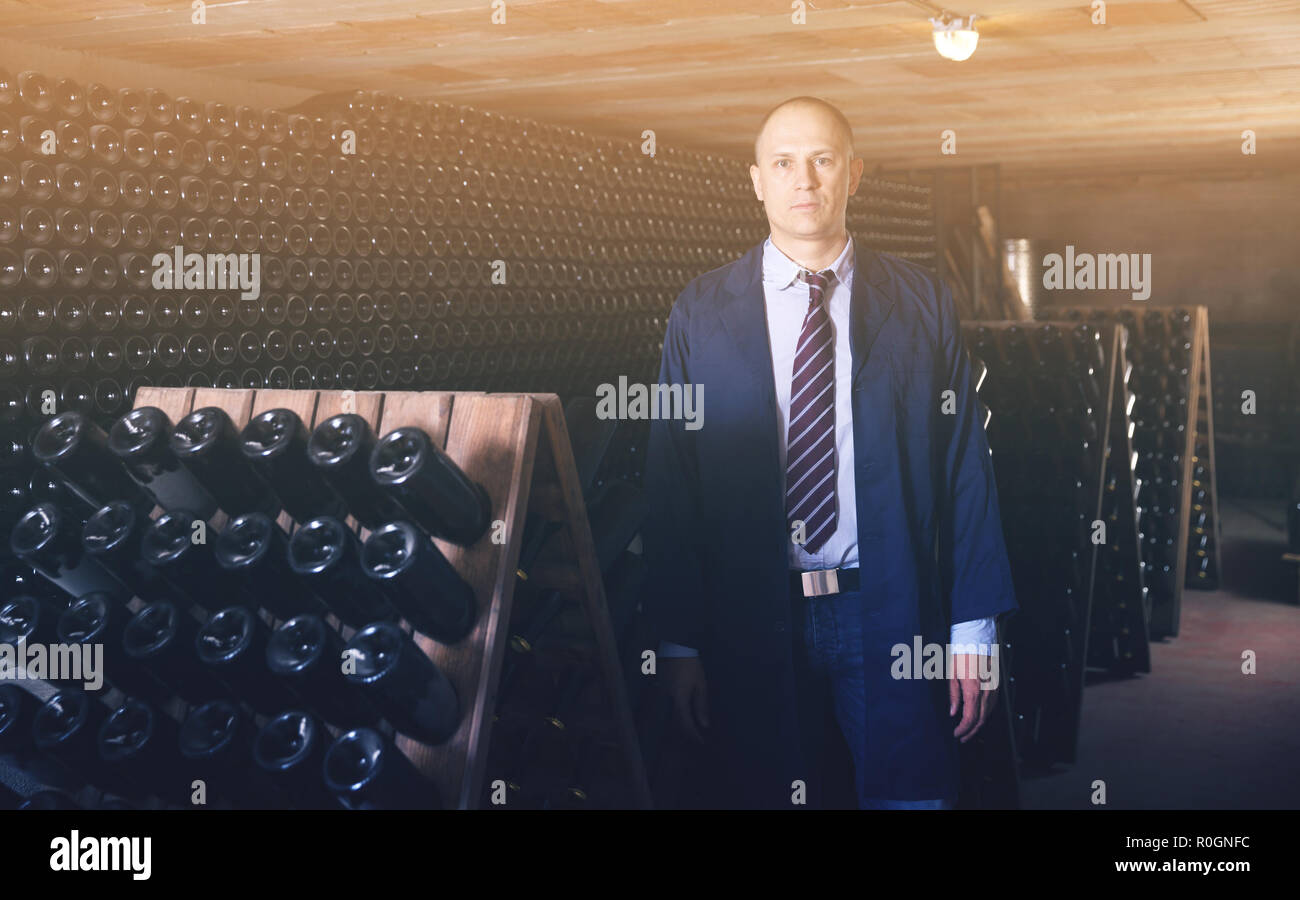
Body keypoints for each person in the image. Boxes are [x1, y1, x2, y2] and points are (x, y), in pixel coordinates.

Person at [642, 96, 1018, 809]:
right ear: (757, 180)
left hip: (888, 604)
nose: (804, 180)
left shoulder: (922, 302)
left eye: (822, 159)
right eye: (783, 163)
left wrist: (974, 624)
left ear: (854, 174)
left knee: (908, 793)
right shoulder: (701, 311)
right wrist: (679, 642)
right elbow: (673, 486)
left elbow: (966, 467)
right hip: (752, 613)